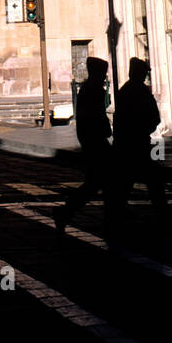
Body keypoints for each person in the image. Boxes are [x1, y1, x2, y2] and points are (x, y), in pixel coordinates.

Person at [54, 57, 119, 234]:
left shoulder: (88, 88)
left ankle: (111, 216)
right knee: (99, 182)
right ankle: (67, 212)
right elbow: (97, 116)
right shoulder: (93, 90)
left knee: (101, 182)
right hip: (95, 141)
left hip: (91, 140)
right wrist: (107, 132)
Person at [114, 57, 168, 223]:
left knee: (127, 180)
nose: (145, 76)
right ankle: (162, 213)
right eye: (144, 73)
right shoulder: (141, 91)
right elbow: (154, 116)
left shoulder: (125, 90)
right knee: (153, 179)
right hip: (138, 143)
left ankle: (117, 210)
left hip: (126, 143)